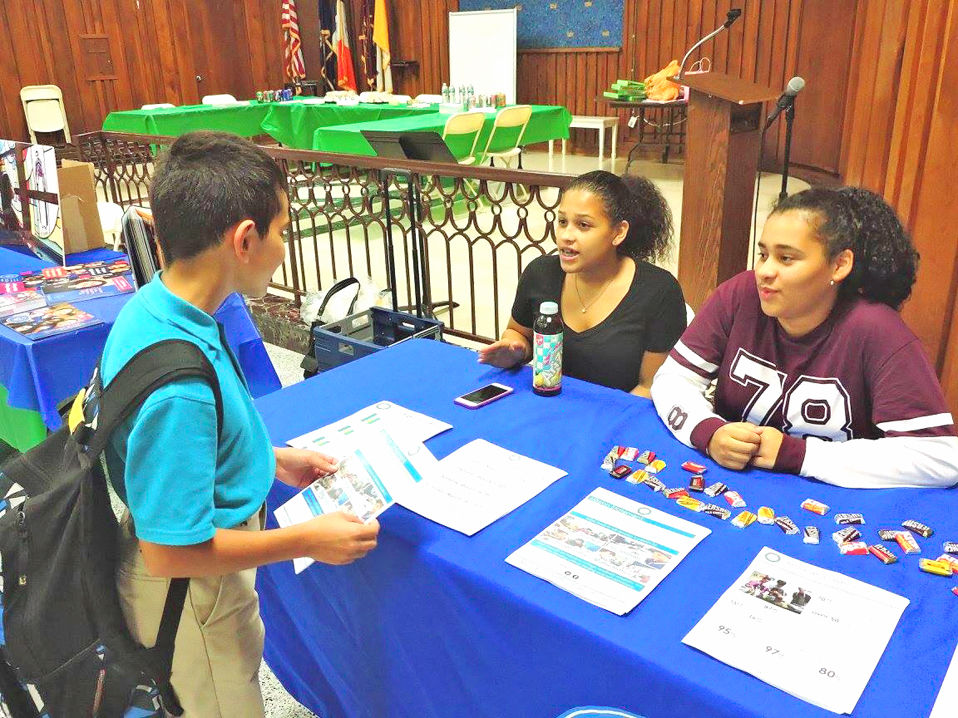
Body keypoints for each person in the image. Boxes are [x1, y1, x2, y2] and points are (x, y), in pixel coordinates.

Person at [100, 131, 380, 717]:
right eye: (282, 231)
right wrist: (307, 540)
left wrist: (270, 459)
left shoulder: (162, 305)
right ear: (245, 240)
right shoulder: (180, 390)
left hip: (200, 587)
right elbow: (170, 551)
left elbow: (197, 445)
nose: (284, 246)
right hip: (192, 601)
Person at [651, 186, 958, 488]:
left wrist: (799, 455)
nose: (764, 271)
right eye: (763, 254)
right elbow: (673, 378)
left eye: (786, 258)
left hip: (831, 499)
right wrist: (708, 431)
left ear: (839, 265)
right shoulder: (740, 294)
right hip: (730, 484)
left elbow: (940, 457)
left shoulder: (878, 330)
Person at [478, 170, 686, 396]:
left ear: (618, 232)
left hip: (619, 413)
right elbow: (516, 332)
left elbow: (651, 386)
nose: (566, 235)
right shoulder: (540, 273)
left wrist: (599, 419)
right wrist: (515, 350)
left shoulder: (659, 291)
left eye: (583, 225)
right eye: (562, 222)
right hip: (549, 404)